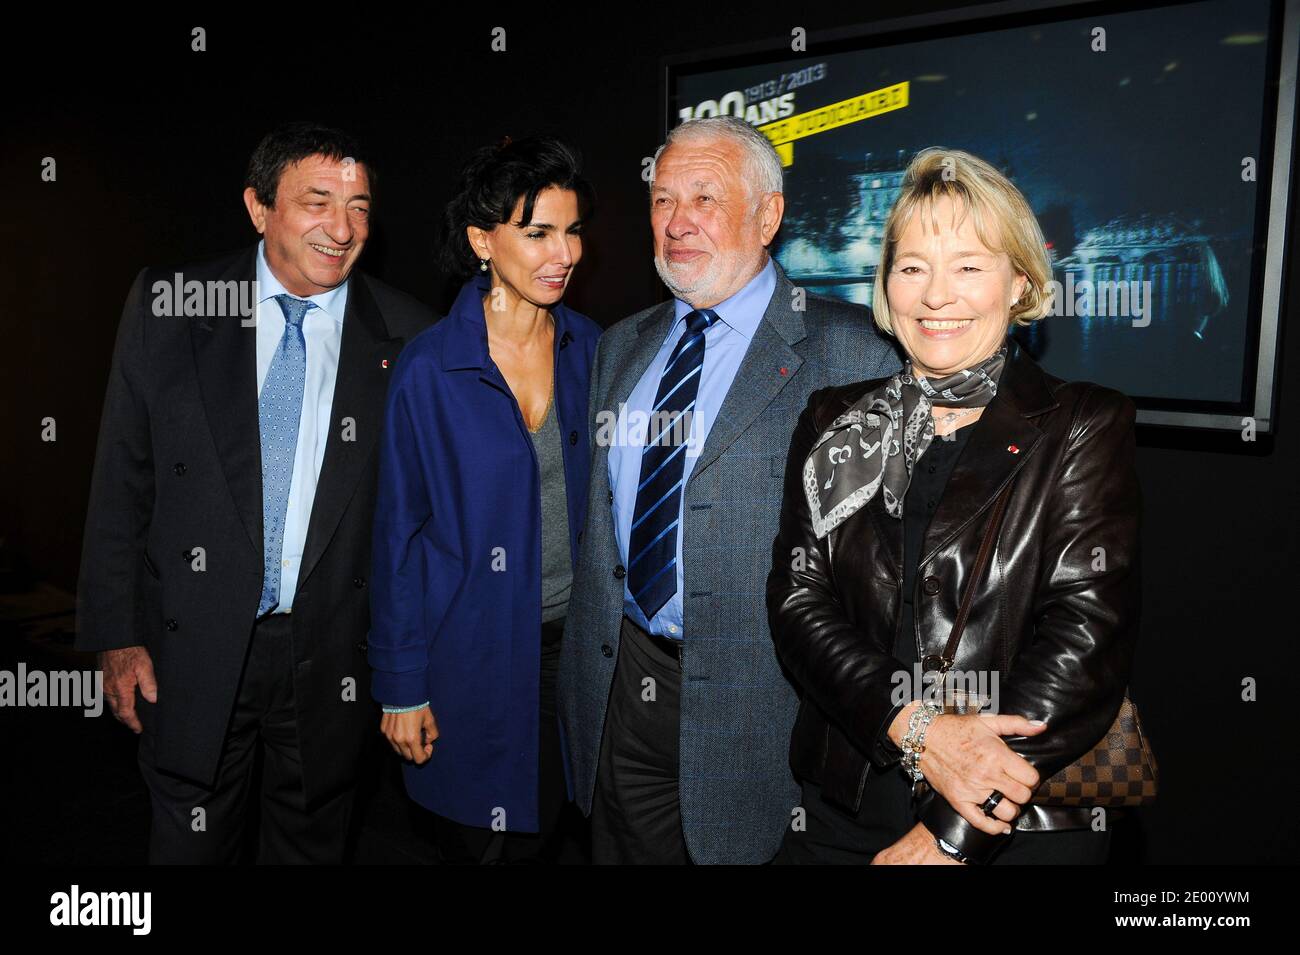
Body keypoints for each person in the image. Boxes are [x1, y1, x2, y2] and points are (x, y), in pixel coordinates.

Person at [767, 147, 1141, 865]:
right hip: (845, 796)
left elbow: (1084, 640)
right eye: (912, 267)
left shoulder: (1082, 423)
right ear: (886, 286)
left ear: (1021, 283)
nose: (936, 295)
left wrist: (951, 830)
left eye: (968, 265)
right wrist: (916, 726)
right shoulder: (831, 421)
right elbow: (797, 601)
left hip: (1013, 821)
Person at [75, 122, 435, 863]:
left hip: (333, 656)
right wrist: (116, 634)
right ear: (257, 207)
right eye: (318, 200)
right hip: (190, 646)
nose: (343, 228)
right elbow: (122, 479)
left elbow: (417, 524)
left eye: (360, 205)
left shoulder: (409, 337)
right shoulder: (169, 306)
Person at [557, 116, 900, 864]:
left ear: (768, 215)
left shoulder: (851, 351)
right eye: (662, 199)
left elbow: (884, 581)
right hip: (621, 690)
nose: (676, 222)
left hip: (764, 713)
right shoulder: (621, 346)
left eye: (705, 198)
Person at [369, 136, 601, 863]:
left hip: (578, 660)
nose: (562, 253)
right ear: (481, 239)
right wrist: (400, 684)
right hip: (467, 662)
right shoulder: (430, 367)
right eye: (537, 233)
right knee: (483, 843)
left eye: (571, 231)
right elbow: (397, 538)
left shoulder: (597, 349)